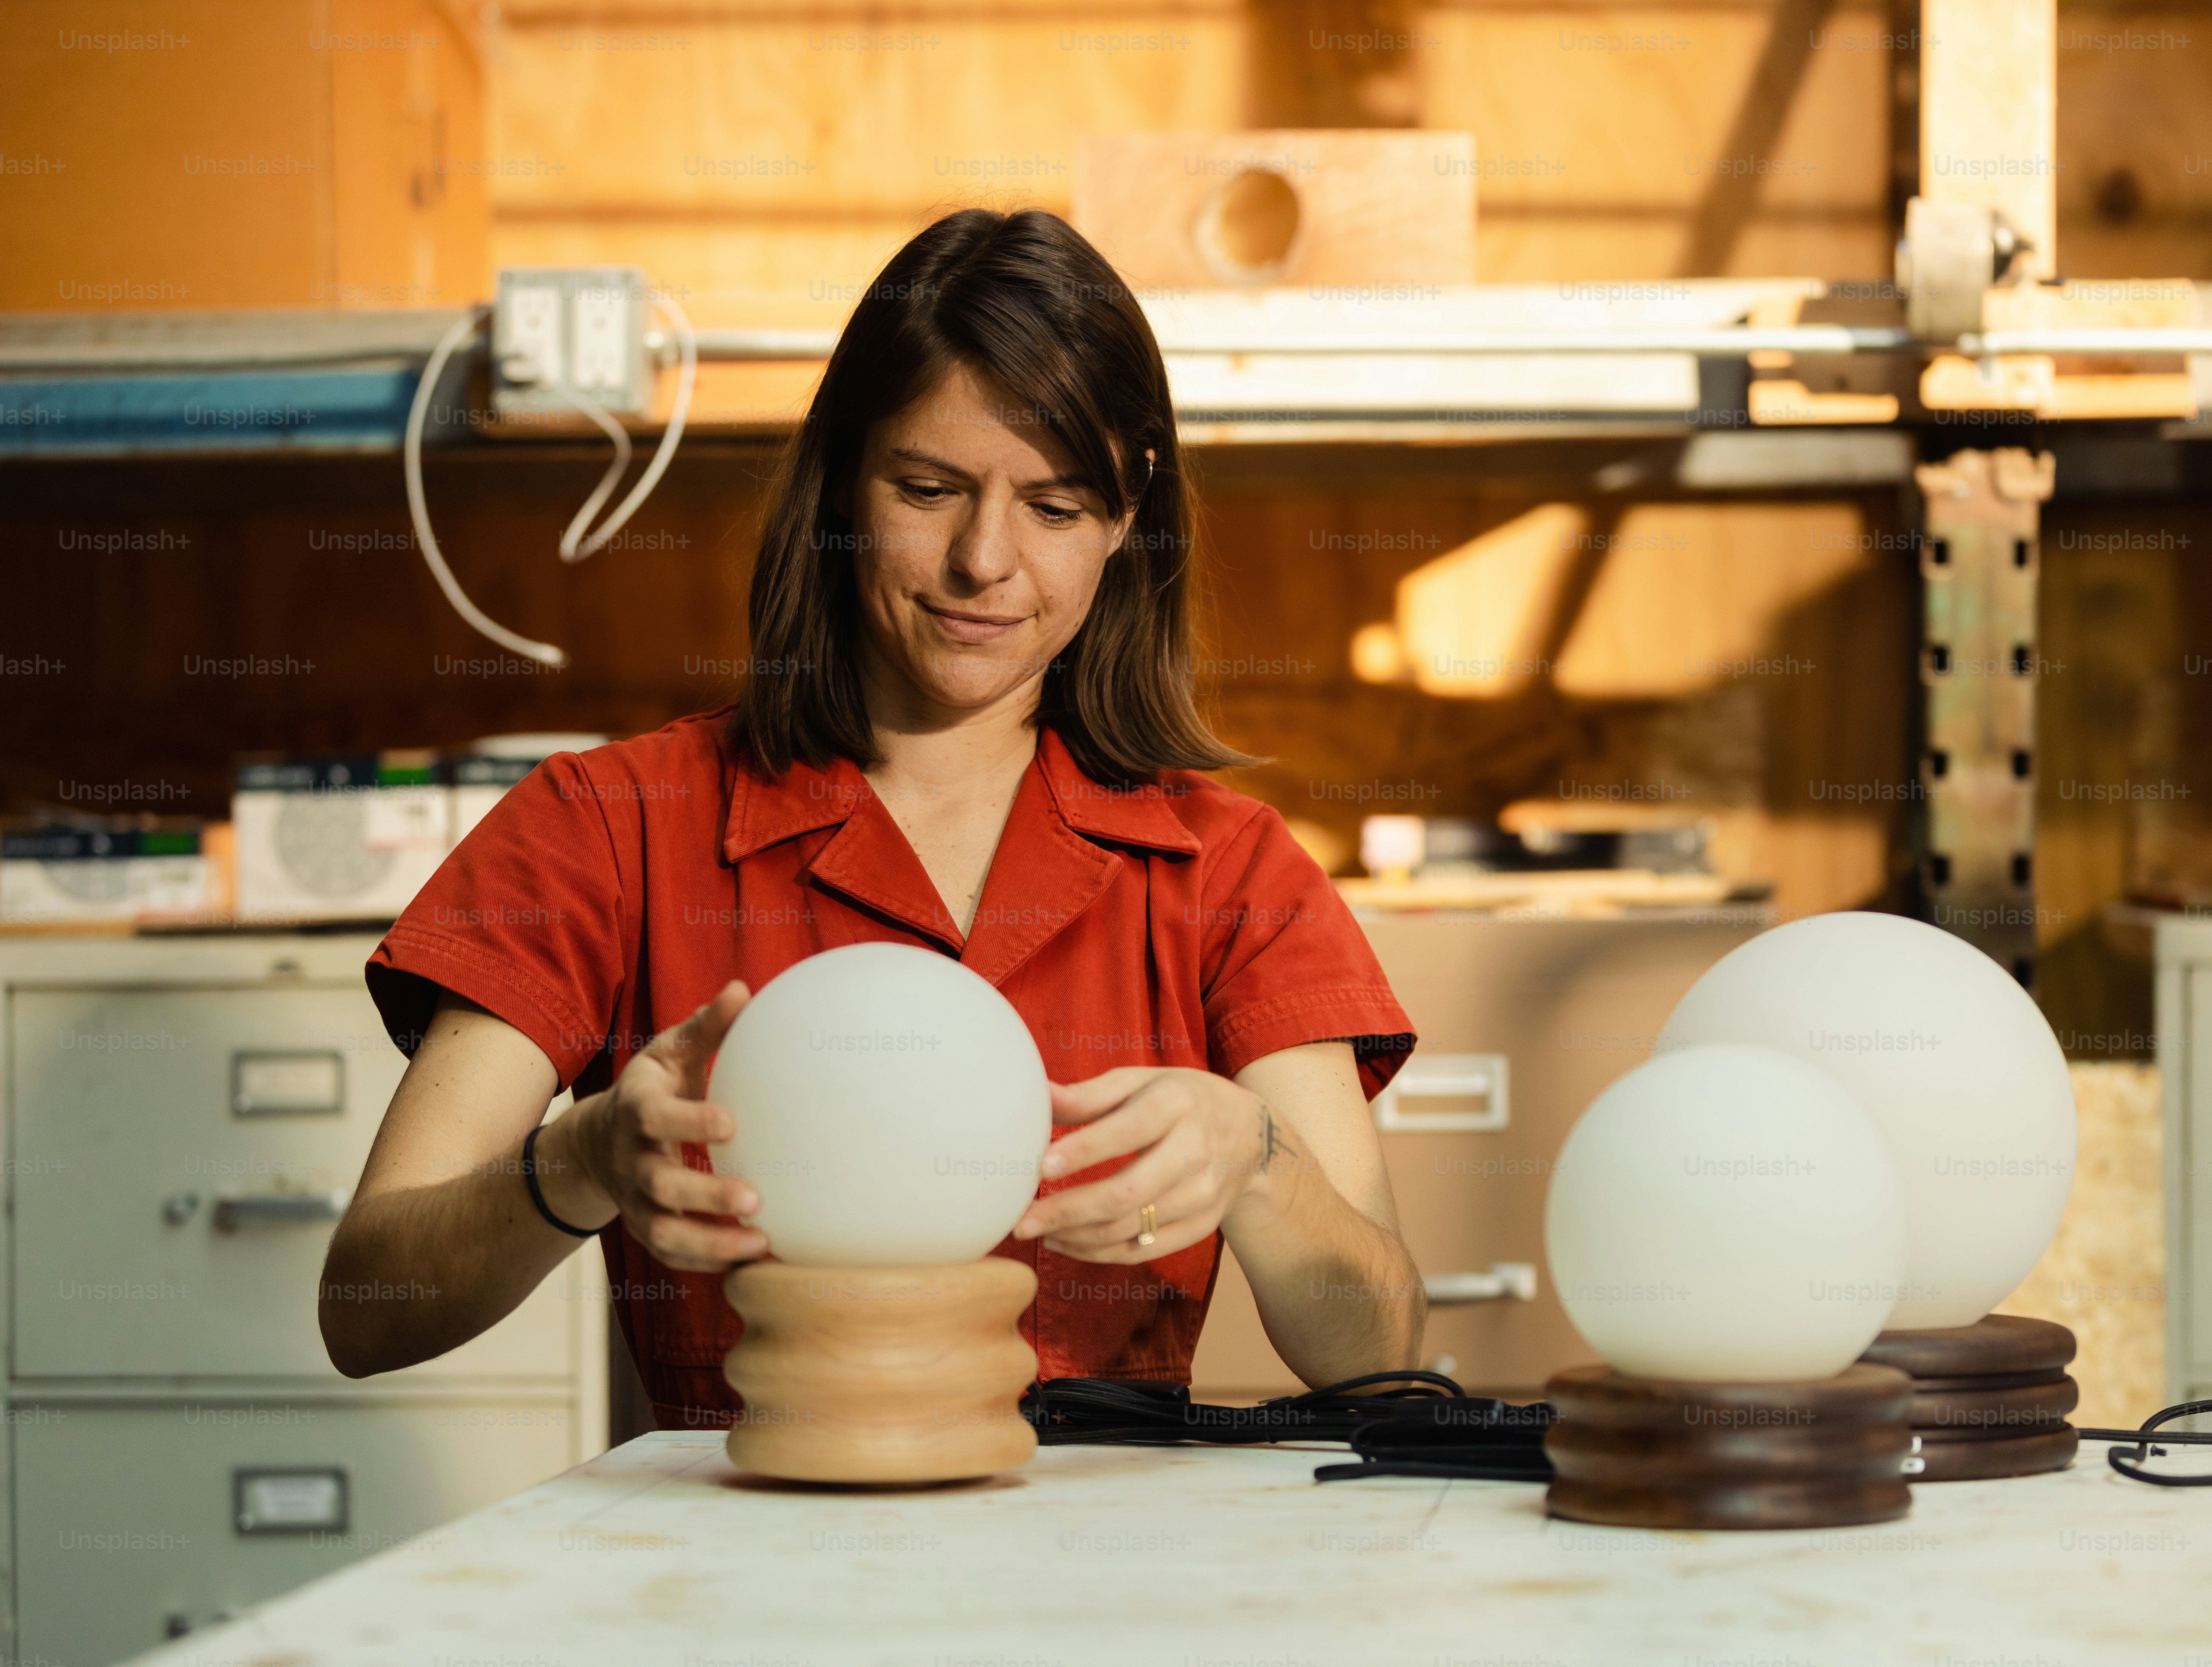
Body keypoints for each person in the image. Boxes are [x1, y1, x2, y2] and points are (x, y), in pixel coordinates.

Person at [318, 208, 1428, 1429]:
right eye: (928, 488)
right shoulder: (610, 826)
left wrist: (1257, 1162)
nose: (983, 560)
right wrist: (582, 1163)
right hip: (749, 1564)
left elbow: (1375, 1348)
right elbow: (369, 1306)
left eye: (1056, 509)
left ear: (1126, 522)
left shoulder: (1231, 870)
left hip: (1111, 1574)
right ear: (841, 479)